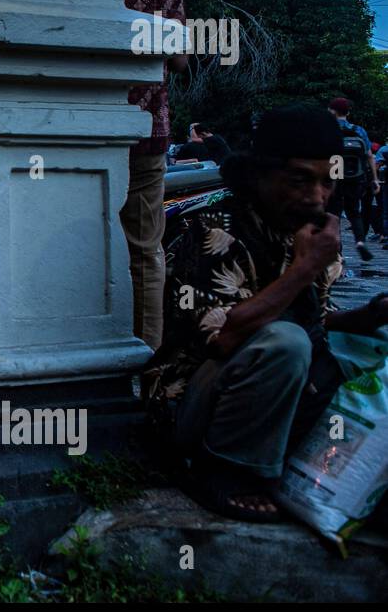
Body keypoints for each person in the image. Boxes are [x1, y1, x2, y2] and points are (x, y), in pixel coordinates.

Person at [147, 105, 388, 522]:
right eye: (300, 180)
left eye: (326, 182)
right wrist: (304, 269)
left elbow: (317, 318)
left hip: (276, 392)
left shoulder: (304, 227)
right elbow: (225, 337)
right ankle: (225, 471)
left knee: (369, 347)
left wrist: (367, 317)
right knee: (285, 342)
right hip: (192, 404)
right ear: (261, 174)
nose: (316, 196)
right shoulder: (210, 229)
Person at [70, 0, 188, 351]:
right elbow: (180, 59)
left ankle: (83, 349)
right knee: (144, 249)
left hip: (74, 132)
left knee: (77, 244)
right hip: (146, 133)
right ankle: (147, 356)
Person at [327, 97, 376, 261]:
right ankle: (360, 242)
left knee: (334, 214)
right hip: (355, 176)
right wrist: (374, 179)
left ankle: (337, 253)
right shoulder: (358, 130)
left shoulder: (329, 129)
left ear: (332, 111)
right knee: (354, 212)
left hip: (335, 173)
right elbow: (369, 156)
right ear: (348, 112)